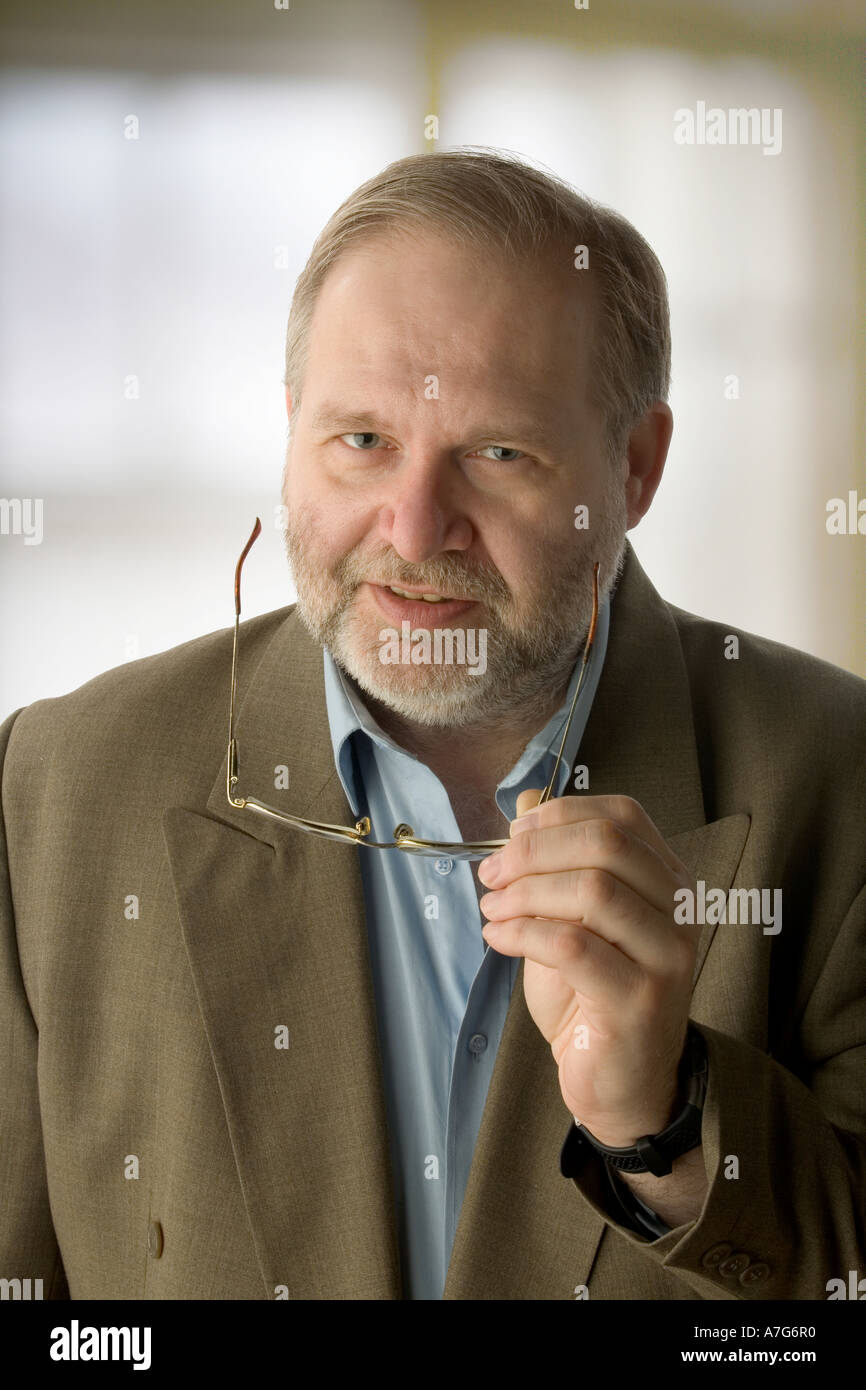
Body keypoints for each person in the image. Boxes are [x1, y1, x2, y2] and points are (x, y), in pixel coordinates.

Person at [1, 150, 863, 1302]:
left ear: (635, 468)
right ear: (290, 426)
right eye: (359, 441)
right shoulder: (53, 788)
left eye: (496, 454)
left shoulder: (840, 785)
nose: (412, 530)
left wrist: (662, 1125)